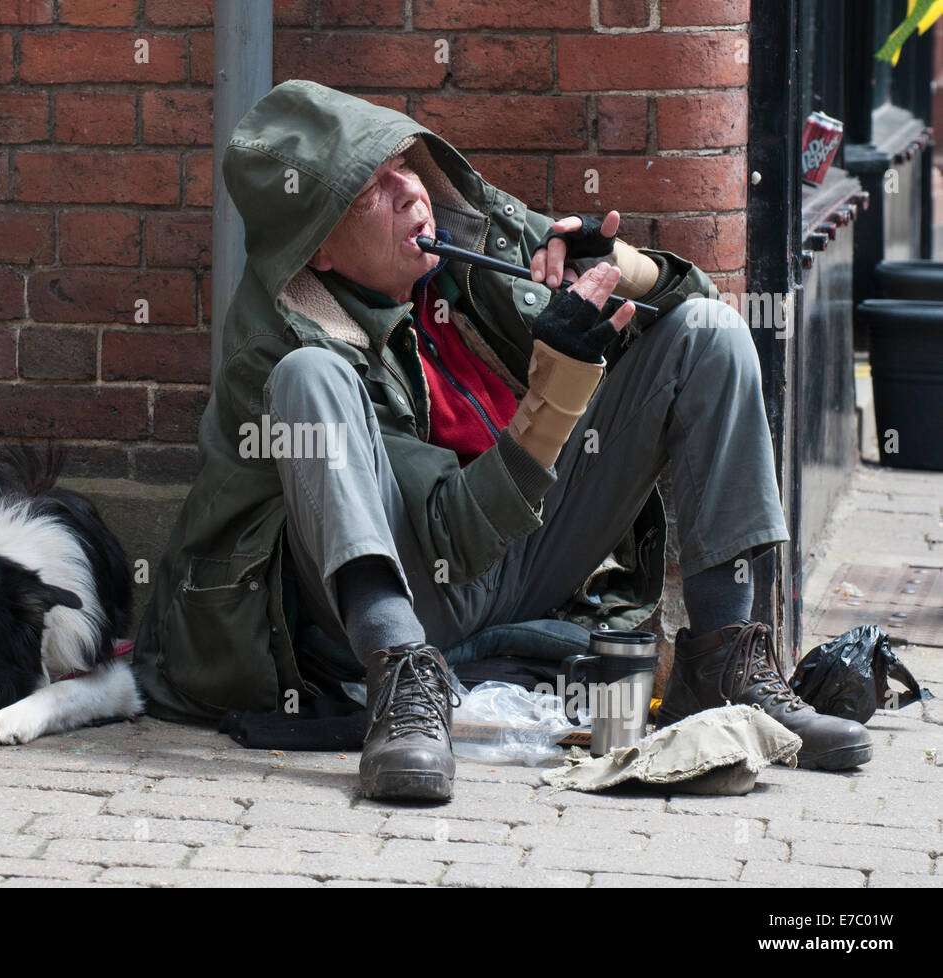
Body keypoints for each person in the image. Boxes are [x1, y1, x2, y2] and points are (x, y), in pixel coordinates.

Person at [133, 79, 871, 801]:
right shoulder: (287, 337)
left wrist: (622, 272)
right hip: (414, 584)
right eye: (369, 193)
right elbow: (448, 543)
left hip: (526, 545)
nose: (411, 193)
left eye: (404, 165)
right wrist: (556, 392)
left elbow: (699, 309)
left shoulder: (470, 238)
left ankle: (723, 670)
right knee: (308, 379)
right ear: (317, 250)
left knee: (710, 332)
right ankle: (402, 690)